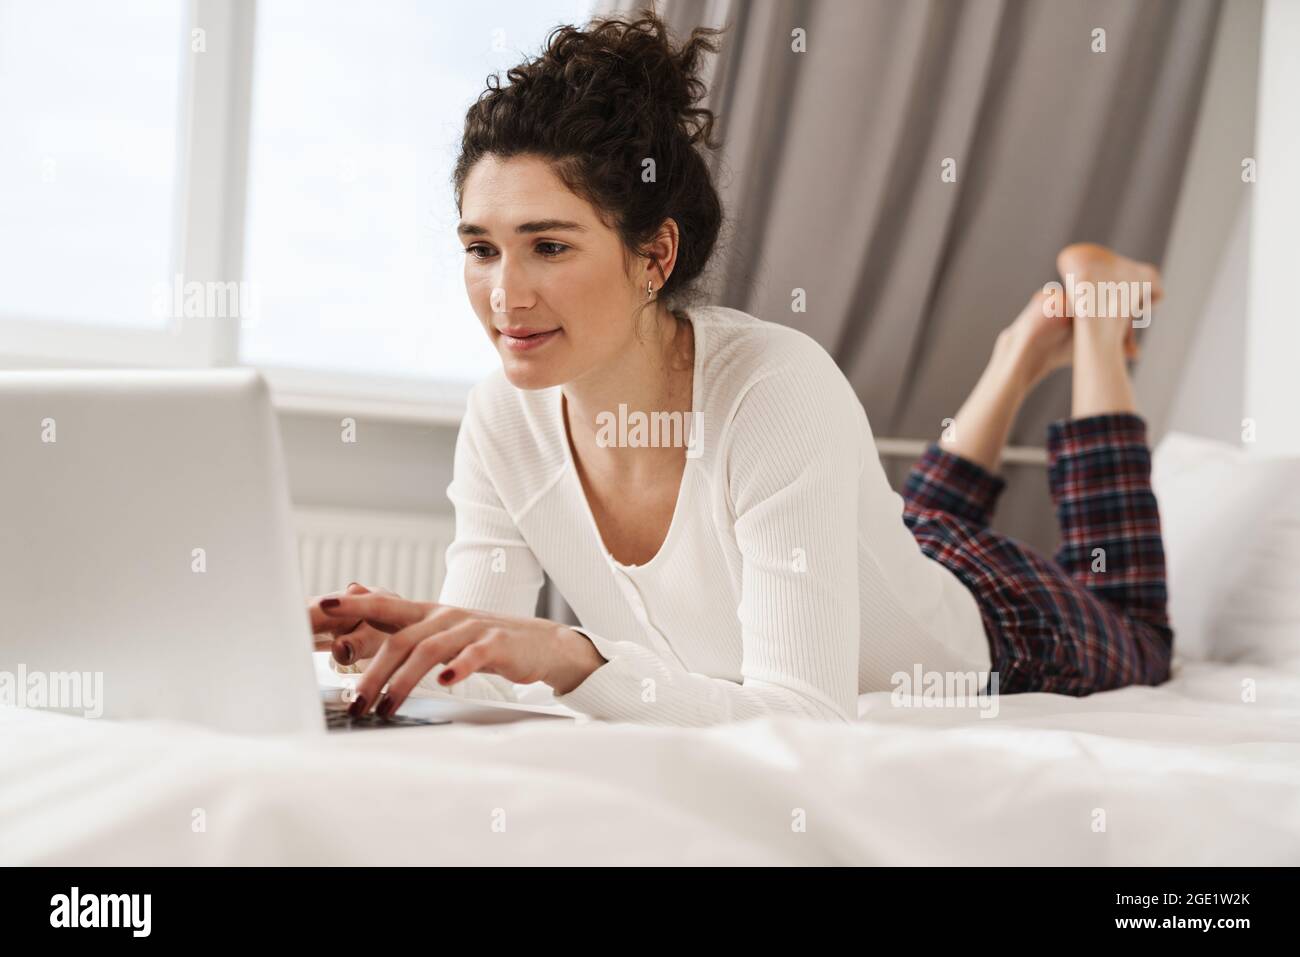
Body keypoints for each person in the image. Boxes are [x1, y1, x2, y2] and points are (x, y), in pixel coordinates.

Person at [308, 12, 1172, 726]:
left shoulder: (773, 387)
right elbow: (488, 683)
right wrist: (424, 654)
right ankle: (1020, 351)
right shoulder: (501, 419)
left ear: (654, 257)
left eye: (548, 246)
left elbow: (804, 720)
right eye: (480, 248)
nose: (506, 292)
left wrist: (575, 657)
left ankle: (1094, 323)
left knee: (1136, 625)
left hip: (996, 623)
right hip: (886, 554)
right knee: (911, 530)